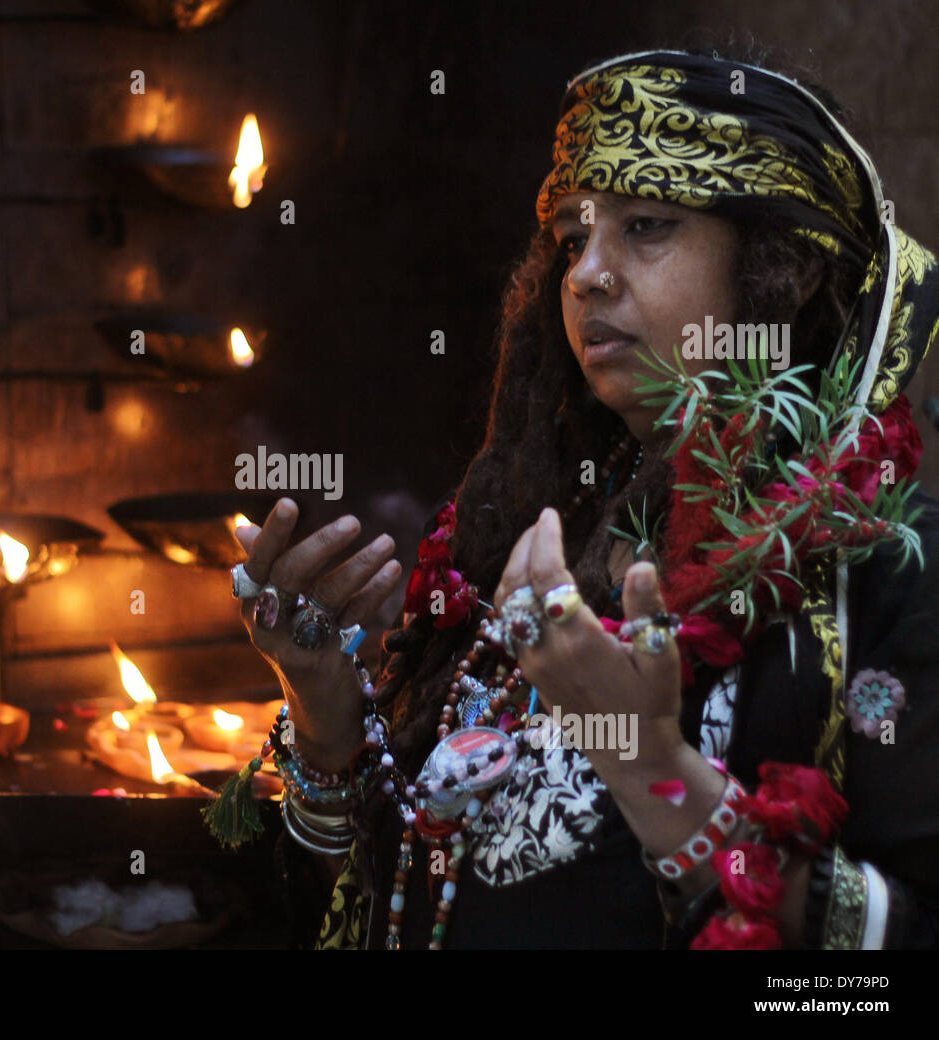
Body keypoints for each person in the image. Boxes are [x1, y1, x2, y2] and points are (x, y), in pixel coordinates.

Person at [226, 46, 939, 949]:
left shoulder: (880, 570)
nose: (586, 274)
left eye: (645, 227)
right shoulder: (520, 547)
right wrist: (326, 719)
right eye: (573, 238)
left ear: (782, 268)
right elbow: (394, 899)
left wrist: (655, 773)